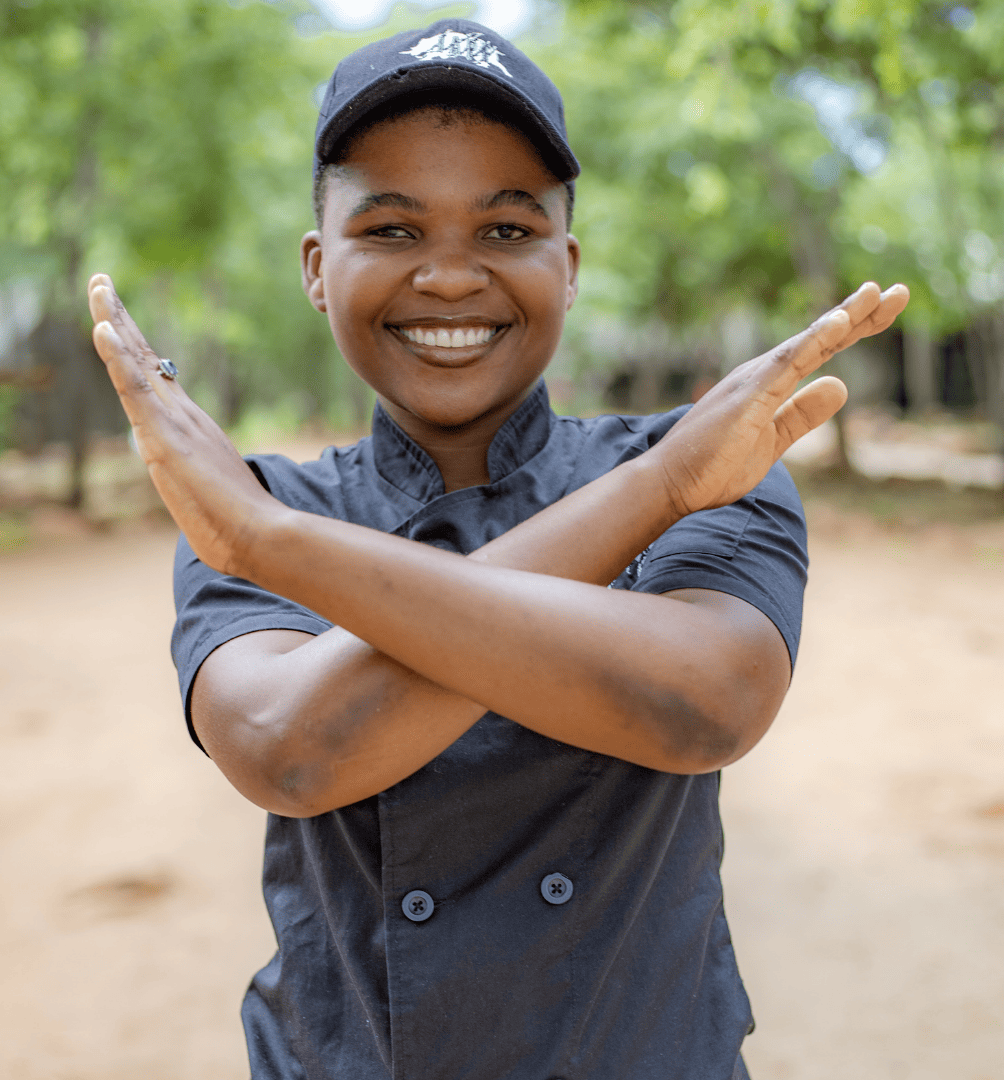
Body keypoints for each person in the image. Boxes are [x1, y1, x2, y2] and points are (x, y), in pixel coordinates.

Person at [87, 19, 908, 1080]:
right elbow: (288, 748)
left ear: (568, 266)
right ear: (316, 269)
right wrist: (645, 503)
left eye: (507, 232)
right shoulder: (267, 505)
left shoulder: (707, 459)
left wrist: (283, 551)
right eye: (389, 230)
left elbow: (708, 702)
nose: (449, 277)